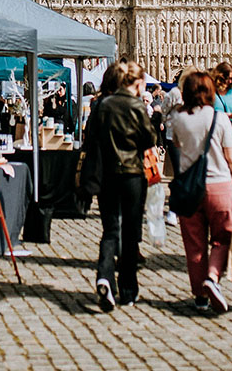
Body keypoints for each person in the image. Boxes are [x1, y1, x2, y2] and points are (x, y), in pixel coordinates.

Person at [171, 70, 232, 313]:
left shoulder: (177, 119)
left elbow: (178, 146)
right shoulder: (219, 119)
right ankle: (212, 277)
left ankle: (199, 297)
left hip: (190, 189)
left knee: (194, 245)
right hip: (219, 186)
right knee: (223, 238)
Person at [83, 59, 157, 311]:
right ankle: (128, 290)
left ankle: (104, 275)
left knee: (110, 230)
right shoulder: (136, 105)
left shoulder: (102, 105)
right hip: (133, 175)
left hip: (107, 176)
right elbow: (149, 137)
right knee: (130, 235)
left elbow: (91, 138)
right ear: (136, 83)